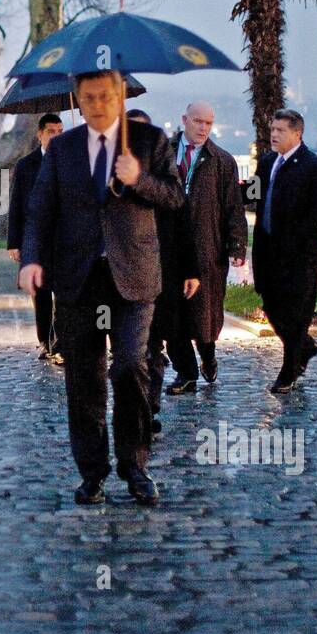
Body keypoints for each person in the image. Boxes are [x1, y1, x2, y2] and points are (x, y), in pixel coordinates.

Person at [19, 69, 185, 506]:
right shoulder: (62, 149)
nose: (96, 105)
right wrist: (33, 258)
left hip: (133, 276)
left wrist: (139, 179)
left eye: (105, 96)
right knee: (84, 378)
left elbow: (174, 196)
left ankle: (136, 466)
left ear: (119, 96)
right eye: (88, 97)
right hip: (79, 280)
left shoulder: (149, 141)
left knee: (130, 366)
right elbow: (40, 209)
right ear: (78, 98)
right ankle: (92, 471)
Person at [163, 101, 247, 395]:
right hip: (169, 249)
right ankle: (185, 372)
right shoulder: (165, 154)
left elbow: (234, 207)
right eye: (198, 121)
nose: (202, 128)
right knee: (172, 317)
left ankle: (208, 354)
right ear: (184, 119)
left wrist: (237, 245)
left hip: (207, 249)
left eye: (208, 123)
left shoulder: (222, 161)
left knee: (205, 315)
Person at [252, 109, 317, 393]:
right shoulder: (266, 163)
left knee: (296, 315)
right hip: (267, 255)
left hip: (299, 259)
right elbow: (254, 197)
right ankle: (305, 346)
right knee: (273, 310)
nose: (273, 134)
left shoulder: (315, 168)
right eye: (272, 129)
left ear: (297, 133)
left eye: (280, 130)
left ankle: (288, 371)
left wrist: (298, 247)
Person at [127, 110, 198, 431]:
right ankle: (136, 403)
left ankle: (148, 408)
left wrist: (191, 270)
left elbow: (184, 222)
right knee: (130, 351)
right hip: (124, 276)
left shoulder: (165, 178)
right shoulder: (111, 173)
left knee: (154, 346)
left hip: (161, 276)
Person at [7, 112, 65, 361]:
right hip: (37, 240)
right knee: (40, 295)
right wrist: (14, 242)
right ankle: (45, 341)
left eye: (60, 131)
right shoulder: (26, 165)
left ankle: (60, 342)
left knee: (64, 294)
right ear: (39, 134)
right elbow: (17, 203)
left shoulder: (70, 161)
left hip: (64, 240)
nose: (56, 136)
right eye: (51, 131)